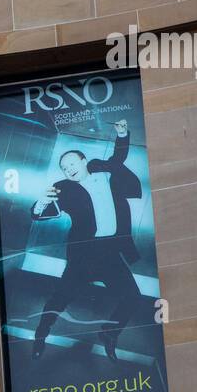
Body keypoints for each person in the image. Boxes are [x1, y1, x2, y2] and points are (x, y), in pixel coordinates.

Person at [29, 119, 142, 362]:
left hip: (110, 253)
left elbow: (118, 158)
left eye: (71, 163)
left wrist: (122, 134)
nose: (68, 169)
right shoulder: (64, 188)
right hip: (84, 254)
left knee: (133, 297)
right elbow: (38, 214)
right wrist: (42, 202)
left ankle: (109, 334)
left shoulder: (104, 173)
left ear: (83, 161)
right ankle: (41, 334)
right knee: (59, 298)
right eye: (64, 167)